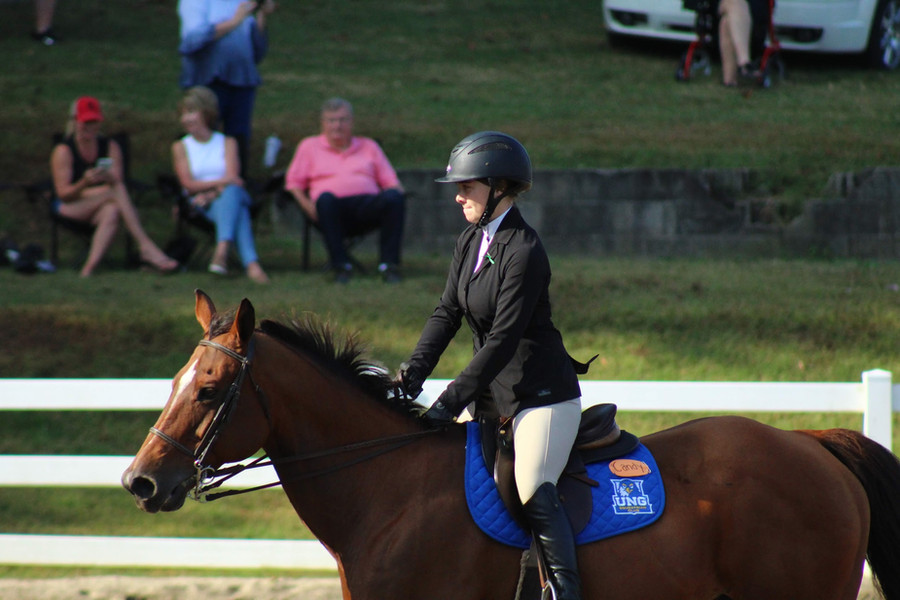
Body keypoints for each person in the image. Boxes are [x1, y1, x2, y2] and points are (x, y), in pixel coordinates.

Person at [398, 132, 587, 600]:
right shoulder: (469, 241)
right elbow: (446, 313)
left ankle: (564, 590)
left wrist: (449, 400)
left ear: (499, 188)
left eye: (468, 186)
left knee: (533, 485)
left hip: (540, 396)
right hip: (493, 395)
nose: (458, 195)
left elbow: (502, 339)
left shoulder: (524, 250)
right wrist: (410, 377)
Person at [50, 96, 179, 277]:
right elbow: (63, 194)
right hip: (69, 206)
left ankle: (88, 269)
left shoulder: (109, 146)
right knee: (115, 192)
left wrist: (108, 177)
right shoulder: (64, 151)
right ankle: (146, 246)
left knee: (112, 209)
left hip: (103, 202)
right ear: (75, 122)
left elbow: (118, 181)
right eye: (85, 122)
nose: (90, 127)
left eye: (94, 122)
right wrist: (84, 182)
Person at [284, 97, 406, 284]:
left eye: (342, 120)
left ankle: (389, 266)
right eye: (331, 120)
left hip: (367, 207)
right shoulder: (308, 146)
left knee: (395, 198)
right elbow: (293, 184)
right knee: (325, 199)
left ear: (352, 122)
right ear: (322, 123)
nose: (337, 126)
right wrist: (309, 208)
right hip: (330, 211)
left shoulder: (369, 146)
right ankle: (341, 265)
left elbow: (391, 181)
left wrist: (396, 194)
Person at [172, 86, 269, 284]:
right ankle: (251, 265)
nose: (186, 119)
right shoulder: (181, 147)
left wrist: (212, 191)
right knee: (237, 206)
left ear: (206, 113)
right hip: (201, 205)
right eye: (183, 114)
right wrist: (218, 187)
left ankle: (221, 251)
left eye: (191, 112)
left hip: (221, 197)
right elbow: (188, 185)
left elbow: (232, 177)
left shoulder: (227, 143)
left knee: (232, 194)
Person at [176, 0, 276, 177]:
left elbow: (257, 52)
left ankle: (237, 186)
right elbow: (190, 42)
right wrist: (233, 22)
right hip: (207, 80)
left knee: (238, 136)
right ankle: (198, 186)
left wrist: (261, 15)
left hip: (241, 80)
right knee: (205, 131)